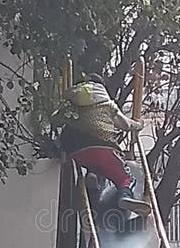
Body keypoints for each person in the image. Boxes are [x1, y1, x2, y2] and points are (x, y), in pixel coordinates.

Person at [49, 73, 150, 217]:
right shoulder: (107, 104)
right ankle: (124, 196)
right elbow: (126, 125)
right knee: (124, 177)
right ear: (101, 87)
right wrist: (139, 124)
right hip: (103, 146)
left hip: (76, 150)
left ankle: (92, 175)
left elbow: (55, 120)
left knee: (93, 164)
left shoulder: (71, 102)